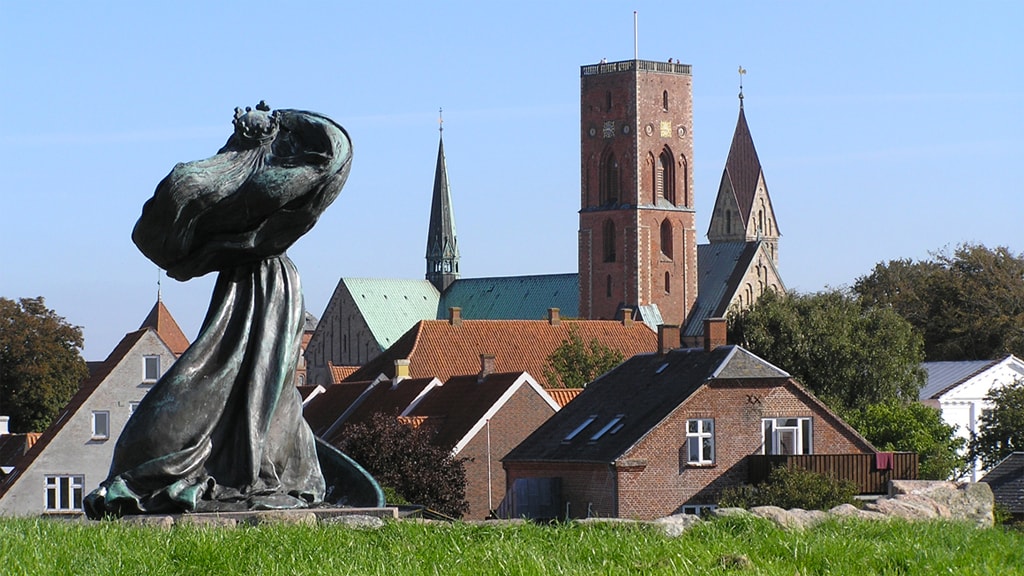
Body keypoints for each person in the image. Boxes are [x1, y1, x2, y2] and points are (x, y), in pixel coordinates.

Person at [85, 103, 376, 518]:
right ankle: (231, 452)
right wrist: (277, 124)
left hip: (266, 284)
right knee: (236, 377)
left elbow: (332, 152)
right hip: (250, 284)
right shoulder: (248, 182)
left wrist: (279, 121)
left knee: (262, 382)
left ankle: (247, 455)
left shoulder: (274, 184)